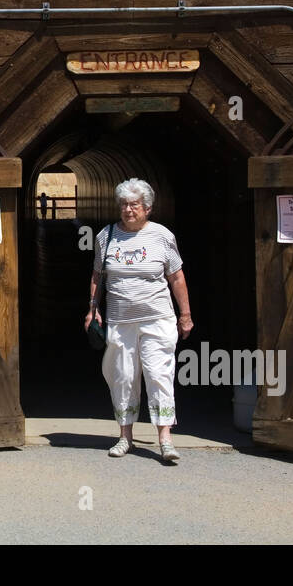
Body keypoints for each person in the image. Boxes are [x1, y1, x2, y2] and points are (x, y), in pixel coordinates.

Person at [83, 178, 193, 463]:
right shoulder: (106, 236)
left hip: (157, 318)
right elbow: (98, 275)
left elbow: (176, 277)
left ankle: (165, 438)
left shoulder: (162, 237)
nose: (128, 210)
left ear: (148, 208)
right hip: (120, 320)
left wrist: (185, 315)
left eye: (134, 205)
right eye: (124, 205)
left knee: (159, 374)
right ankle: (125, 436)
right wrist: (92, 308)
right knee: (123, 377)